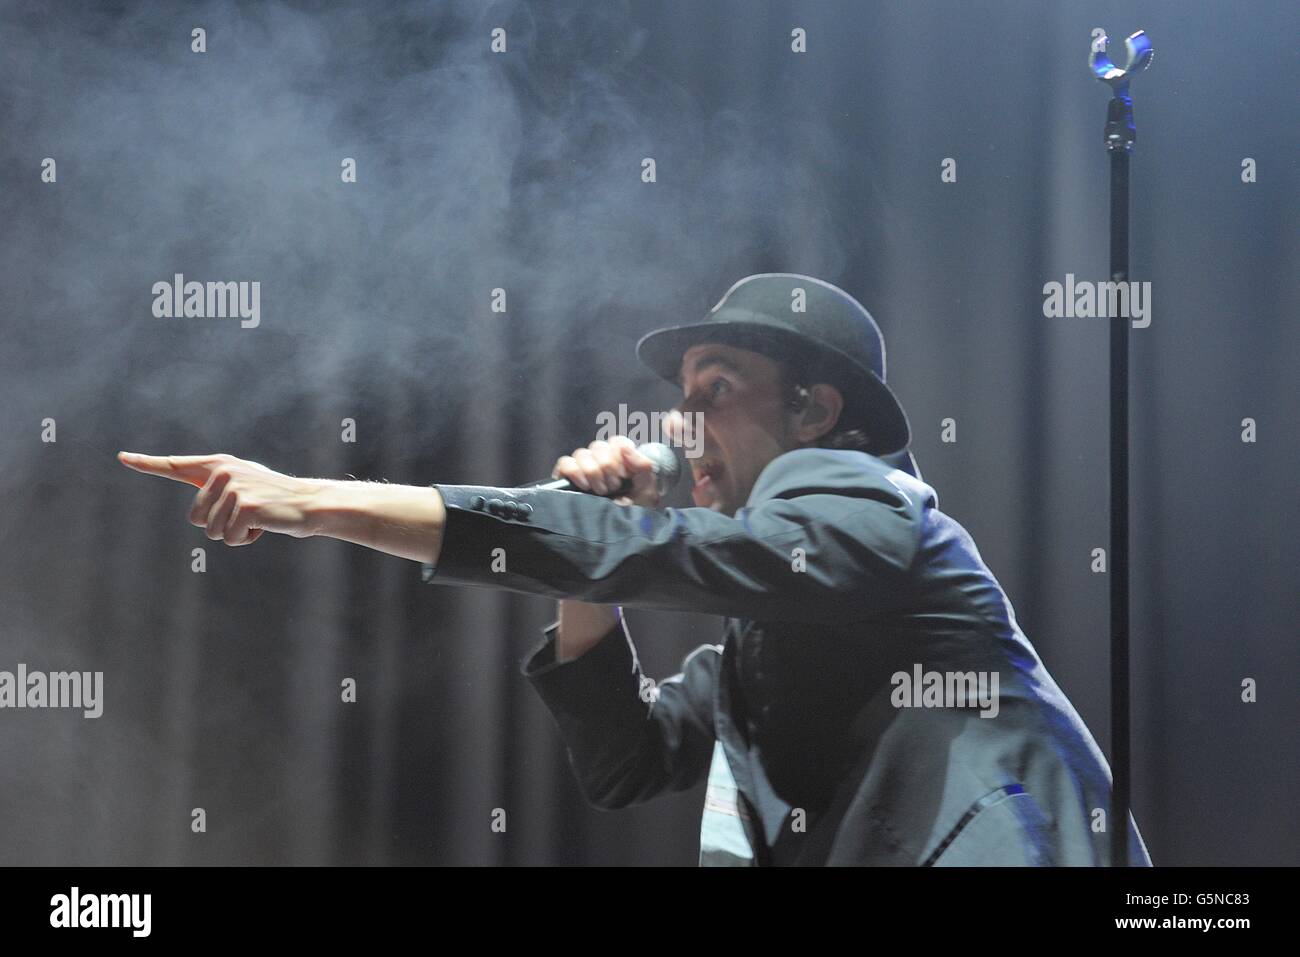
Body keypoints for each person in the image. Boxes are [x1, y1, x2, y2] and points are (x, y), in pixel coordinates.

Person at [118, 273, 1152, 866]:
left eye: (717, 389)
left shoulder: (871, 506)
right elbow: (627, 761)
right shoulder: (765, 635)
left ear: (816, 410)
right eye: (682, 394)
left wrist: (310, 501)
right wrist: (589, 555)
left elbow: (677, 556)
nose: (683, 420)